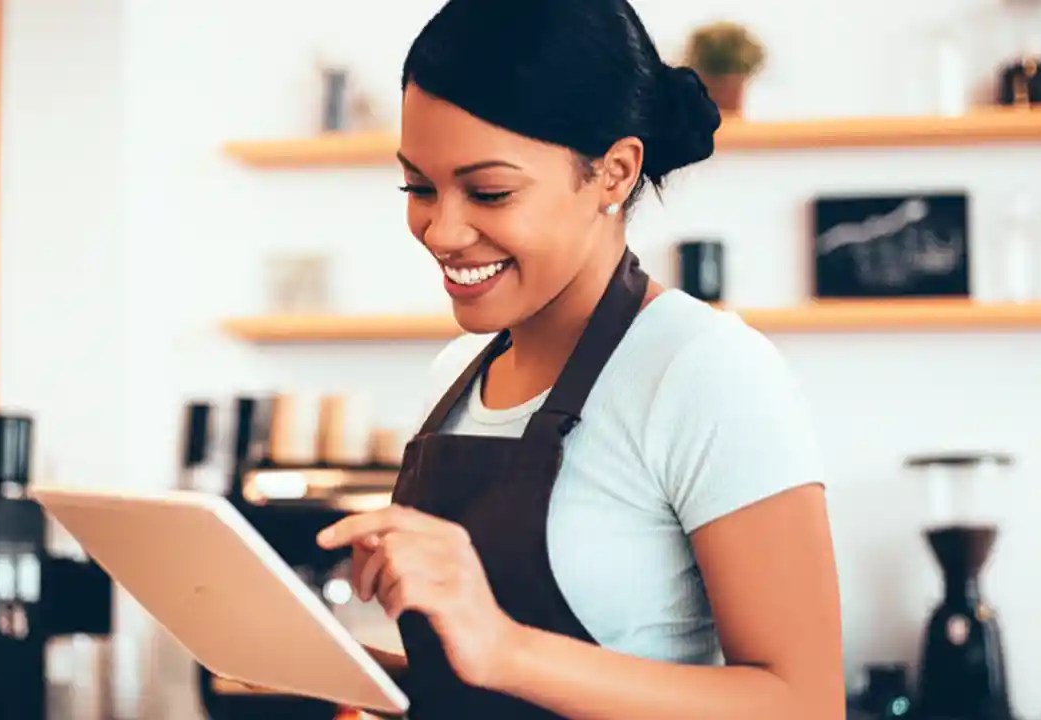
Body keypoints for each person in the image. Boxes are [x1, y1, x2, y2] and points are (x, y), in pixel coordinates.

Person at [316, 1, 844, 718]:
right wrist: (340, 666)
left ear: (615, 174)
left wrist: (506, 650)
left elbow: (804, 704)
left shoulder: (705, 370)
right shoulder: (455, 377)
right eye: (420, 187)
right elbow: (486, 682)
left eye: (490, 192)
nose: (441, 230)